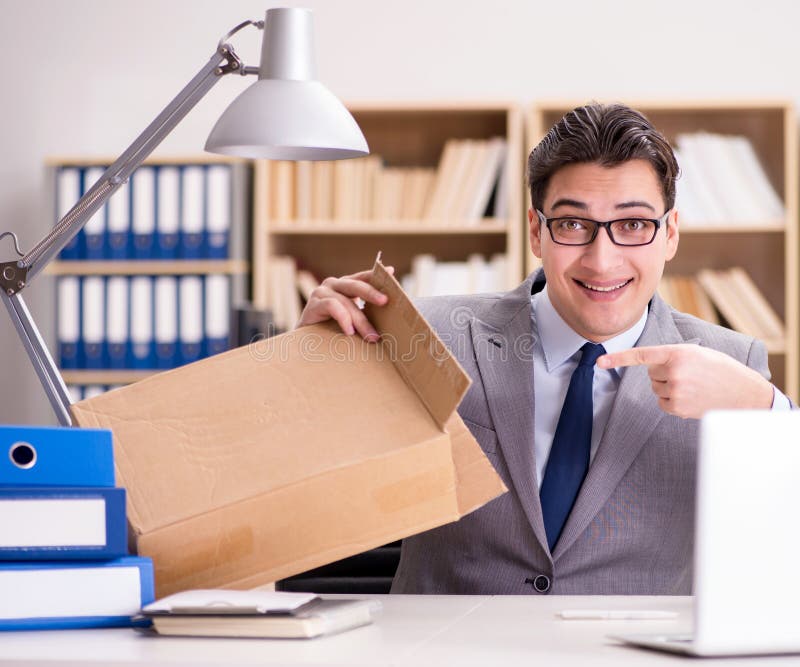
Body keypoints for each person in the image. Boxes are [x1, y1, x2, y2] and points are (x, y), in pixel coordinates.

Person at [297, 103, 792, 595]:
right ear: (537, 231)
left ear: (671, 233)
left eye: (634, 225)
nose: (602, 261)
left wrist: (769, 410)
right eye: (573, 225)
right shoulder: (426, 334)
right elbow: (304, 488)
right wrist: (305, 363)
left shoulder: (732, 364)